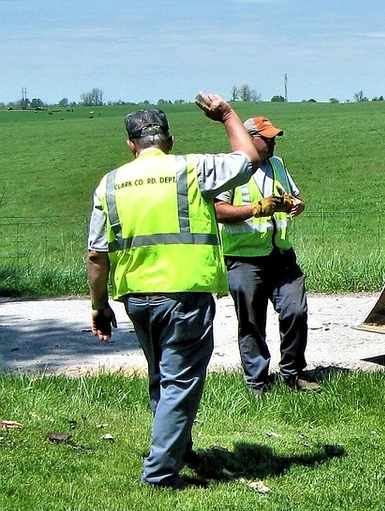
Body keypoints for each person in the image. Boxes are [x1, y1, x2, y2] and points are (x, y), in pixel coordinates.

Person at [87, 94, 262, 489]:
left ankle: (177, 450)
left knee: (162, 379)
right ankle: (161, 473)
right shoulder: (191, 168)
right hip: (184, 291)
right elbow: (249, 158)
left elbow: (96, 256)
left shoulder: (110, 183)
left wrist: (99, 306)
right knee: (180, 382)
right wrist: (228, 115)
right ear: (169, 139)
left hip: (136, 296)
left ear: (131, 146)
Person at [214, 116, 318, 396]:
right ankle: (256, 383)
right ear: (249, 138)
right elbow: (218, 211)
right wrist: (257, 209)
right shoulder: (231, 169)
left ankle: (293, 374)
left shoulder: (278, 164)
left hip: (281, 254)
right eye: (267, 138)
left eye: (274, 138)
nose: (272, 143)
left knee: (295, 311)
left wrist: (297, 205)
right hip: (244, 258)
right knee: (251, 322)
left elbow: (297, 197)